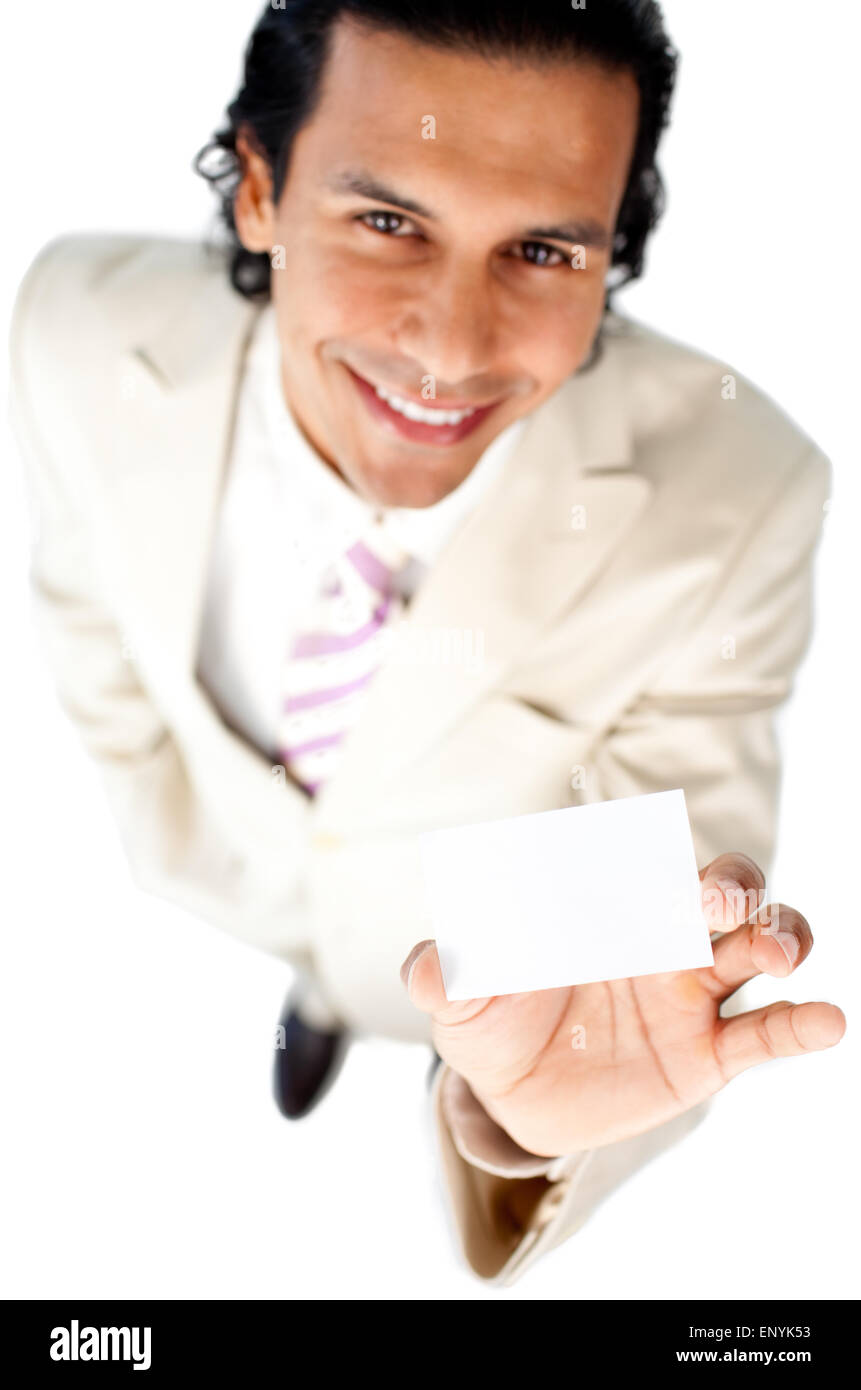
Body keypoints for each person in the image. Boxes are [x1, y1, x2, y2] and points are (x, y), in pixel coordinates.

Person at [9, 0, 845, 1285]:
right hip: (223, 888)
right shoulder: (71, 326)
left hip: (456, 997)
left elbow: (638, 971)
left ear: (613, 251)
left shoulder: (739, 499)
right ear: (257, 191)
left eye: (545, 252)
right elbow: (87, 619)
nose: (449, 353)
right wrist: (180, 849)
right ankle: (314, 994)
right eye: (388, 222)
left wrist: (503, 1116)